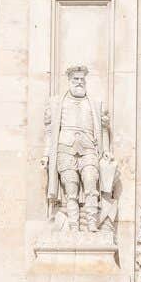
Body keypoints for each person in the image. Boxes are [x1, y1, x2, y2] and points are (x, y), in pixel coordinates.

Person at [45, 65, 116, 232]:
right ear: (69, 81)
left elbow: (103, 128)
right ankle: (73, 225)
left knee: (91, 184)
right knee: (71, 188)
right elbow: (50, 130)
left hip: (89, 149)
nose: (79, 82)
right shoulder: (57, 103)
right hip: (65, 149)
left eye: (81, 79)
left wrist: (105, 149)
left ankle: (92, 223)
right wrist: (45, 154)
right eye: (75, 79)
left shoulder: (96, 104)